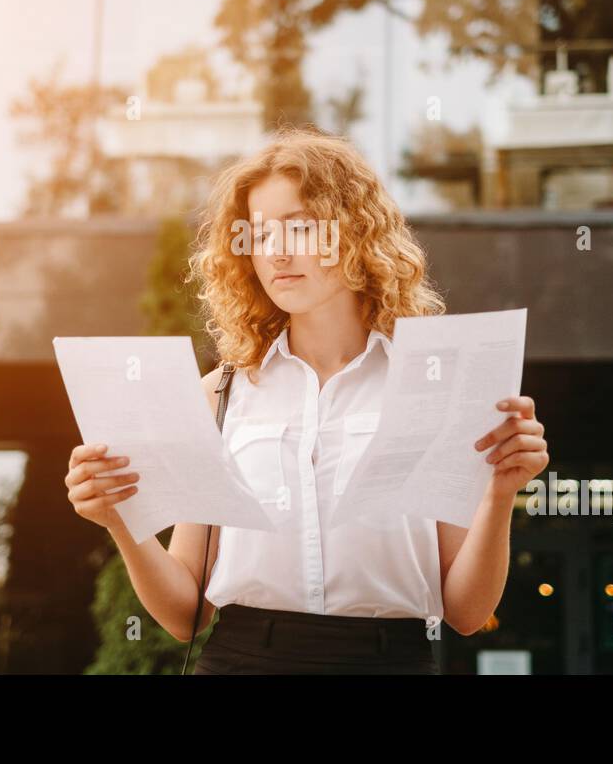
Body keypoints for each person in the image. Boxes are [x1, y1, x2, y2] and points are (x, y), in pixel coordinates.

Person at [64, 125, 549, 673]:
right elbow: (186, 614)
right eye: (262, 234)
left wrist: (501, 493)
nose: (276, 252)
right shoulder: (220, 395)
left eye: (300, 228)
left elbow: (466, 610)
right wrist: (119, 520)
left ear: (356, 233)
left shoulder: (434, 388)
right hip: (240, 661)